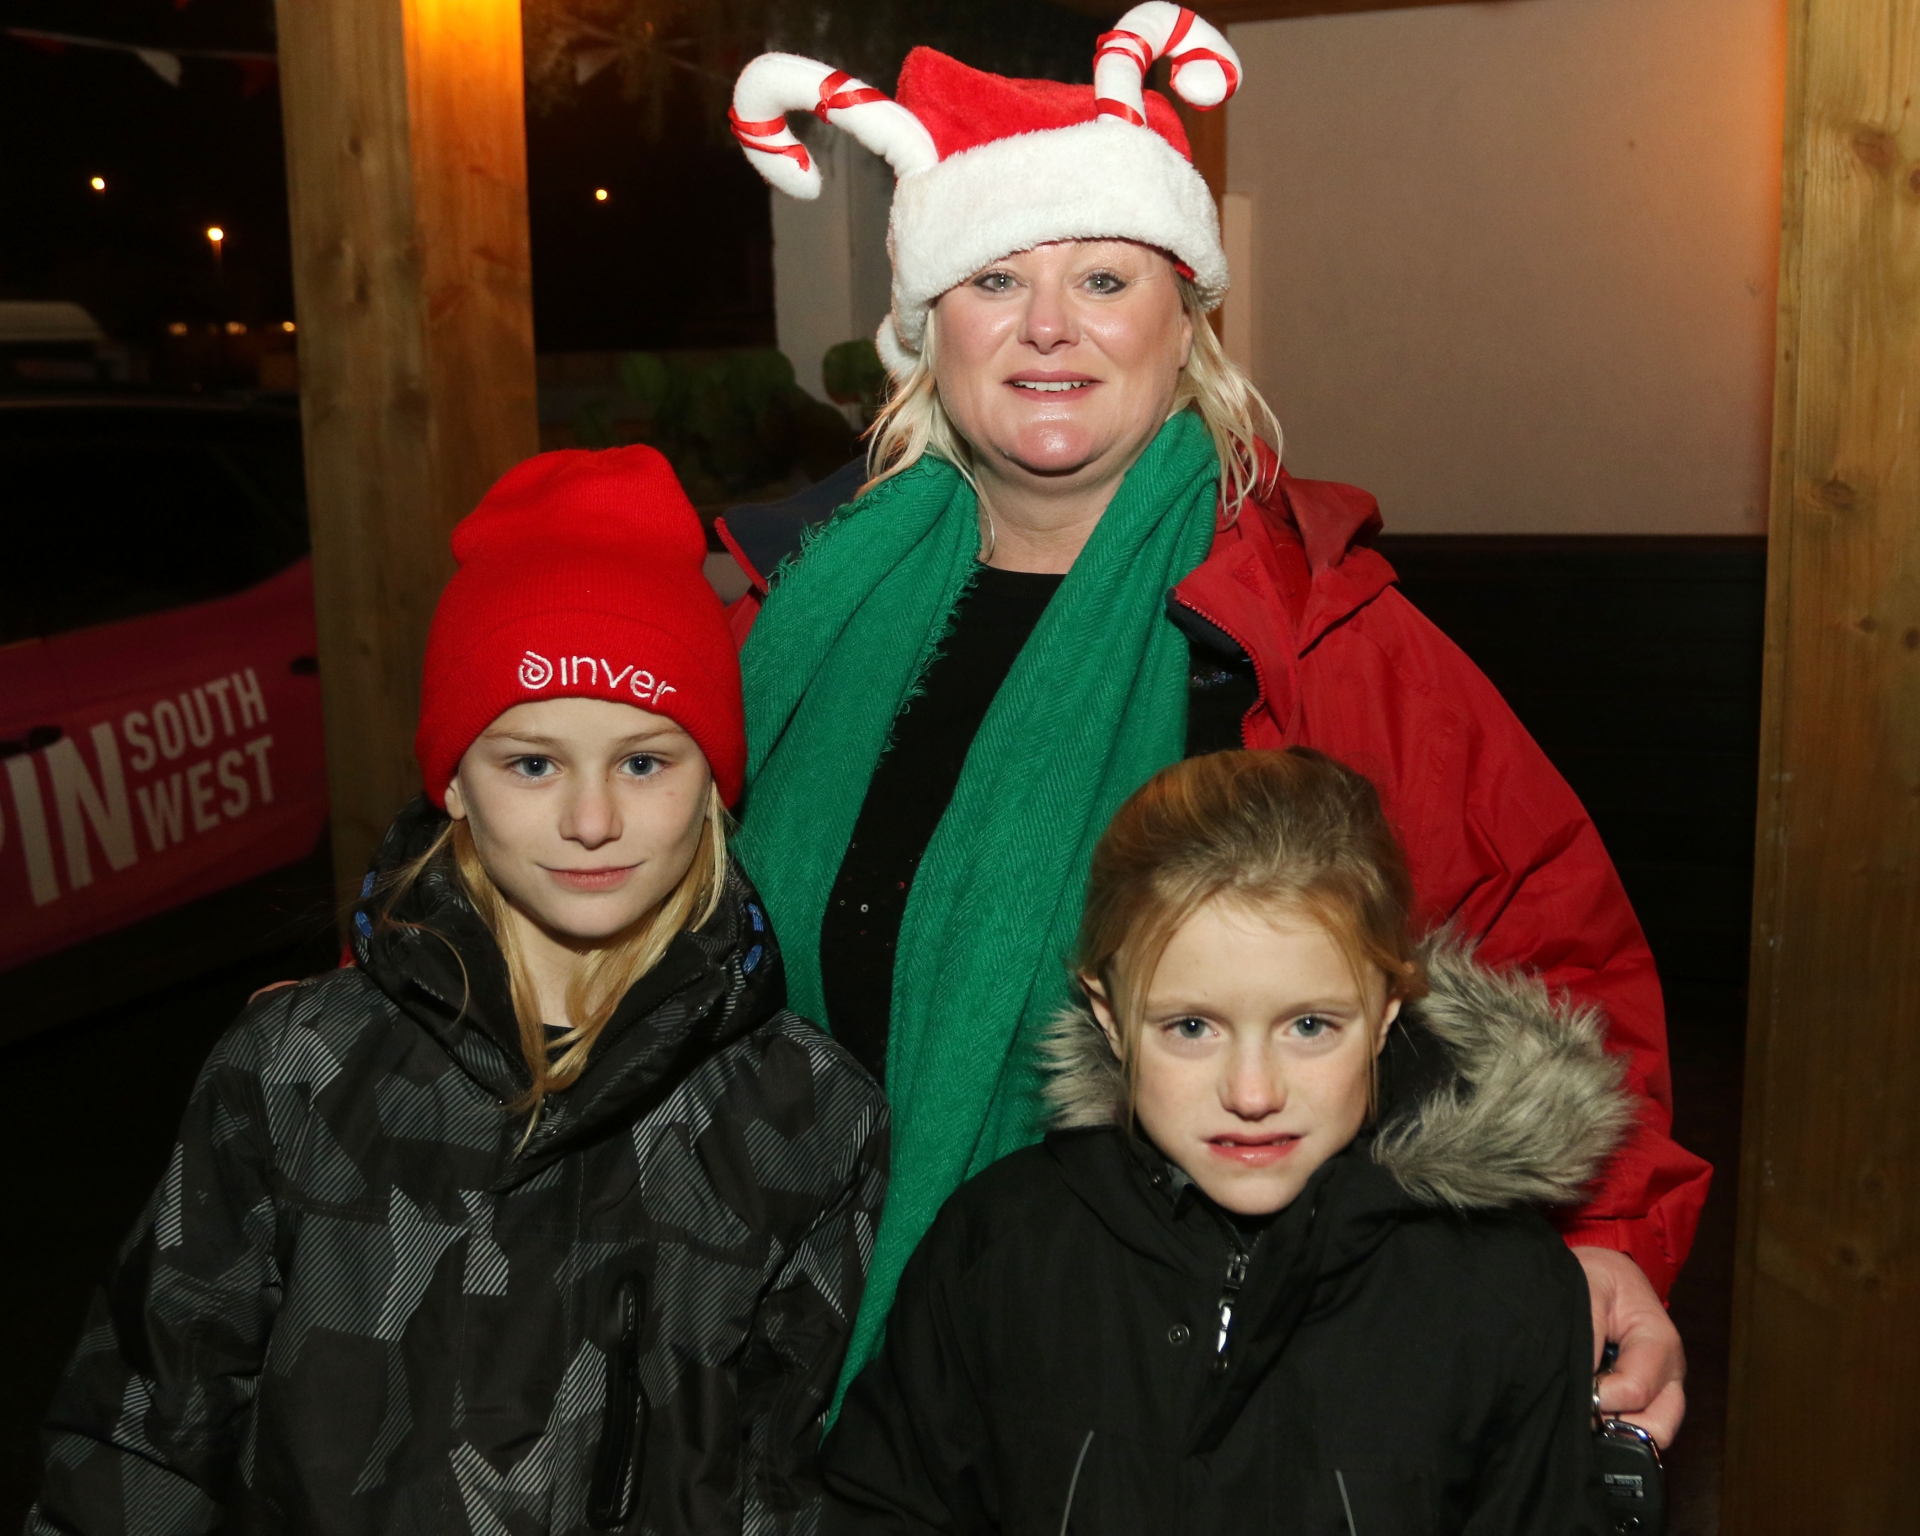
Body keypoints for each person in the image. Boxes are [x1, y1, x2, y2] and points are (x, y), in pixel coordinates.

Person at [723, 2, 1707, 1436]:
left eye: (1105, 277)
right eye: (996, 277)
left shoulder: (1306, 631)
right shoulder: (797, 611)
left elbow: (1546, 930)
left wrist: (1610, 1235)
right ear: (927, 326)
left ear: (1185, 318)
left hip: (1184, 1378)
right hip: (772, 1320)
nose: (1050, 325)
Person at [29, 448, 889, 1536]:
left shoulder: (804, 1113)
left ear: (716, 782)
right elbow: (145, 1428)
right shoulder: (301, 1067)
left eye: (644, 762)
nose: (591, 821)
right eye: (532, 764)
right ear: (452, 780)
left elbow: (779, 1480)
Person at [822, 749, 1626, 1534]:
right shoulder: (1000, 1245)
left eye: (1310, 1026)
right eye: (1192, 1027)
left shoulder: (1505, 1289)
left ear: (1386, 1011)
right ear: (1110, 1016)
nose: (1252, 1094)